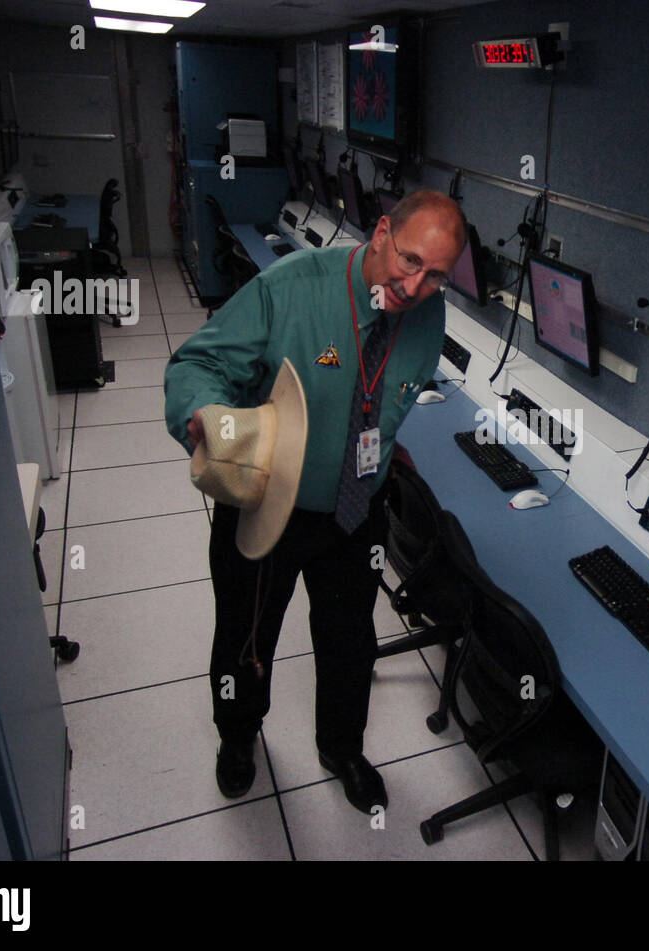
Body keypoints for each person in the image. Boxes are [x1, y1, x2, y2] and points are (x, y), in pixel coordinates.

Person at [164, 189, 466, 811]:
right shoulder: (292, 288)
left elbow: (386, 400)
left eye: (437, 274)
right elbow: (199, 363)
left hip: (356, 513)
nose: (416, 286)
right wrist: (201, 415)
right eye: (409, 261)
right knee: (246, 637)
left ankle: (342, 747)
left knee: (349, 637)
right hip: (269, 501)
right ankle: (239, 736)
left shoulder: (428, 314)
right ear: (381, 232)